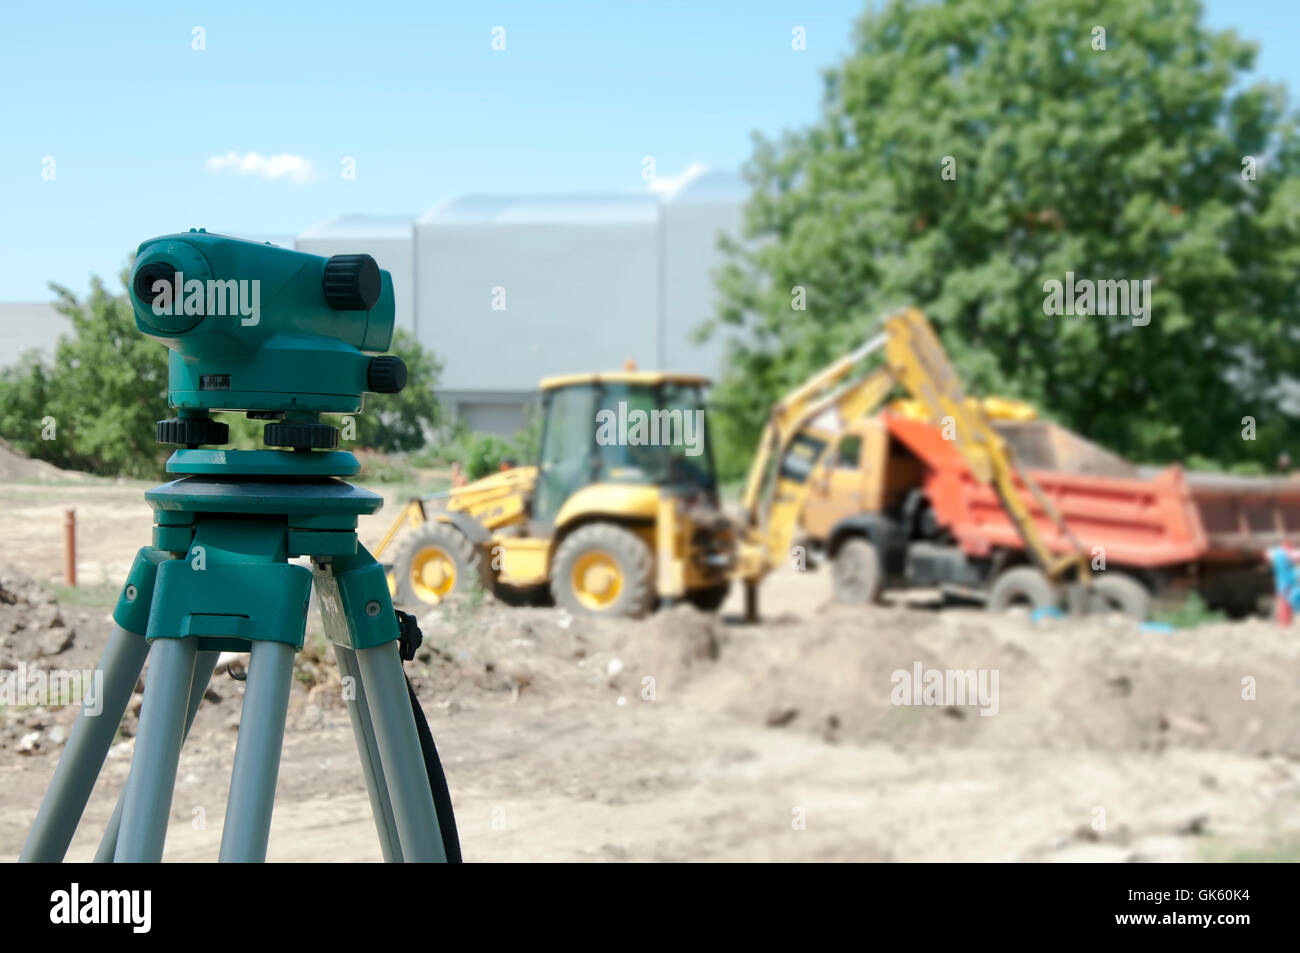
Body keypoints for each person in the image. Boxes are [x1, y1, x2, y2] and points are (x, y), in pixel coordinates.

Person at [1266, 542, 1300, 625]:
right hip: (1286, 584)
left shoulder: (1276, 554)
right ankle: (1284, 621)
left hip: (1284, 585)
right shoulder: (1285, 555)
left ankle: (1284, 621)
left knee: (1284, 600)